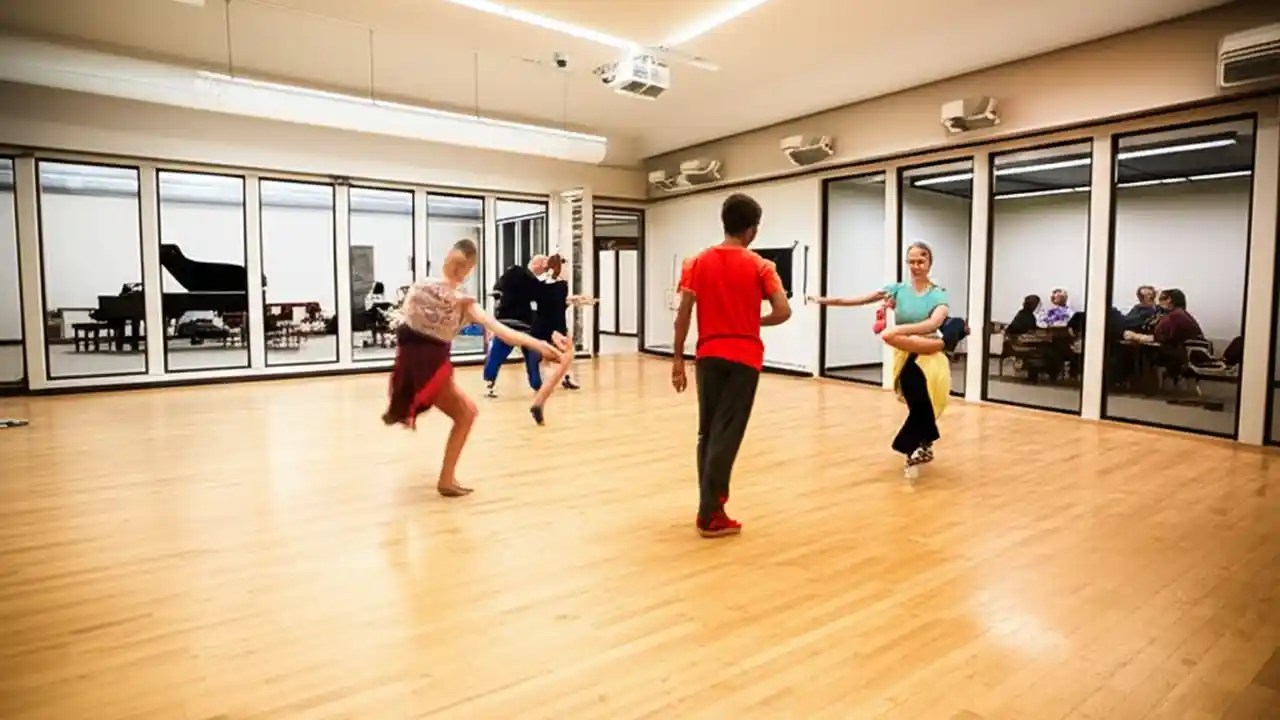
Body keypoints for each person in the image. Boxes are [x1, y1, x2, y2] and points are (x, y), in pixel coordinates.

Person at [382, 239, 561, 497]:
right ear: (468, 269)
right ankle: (446, 480)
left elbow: (406, 324)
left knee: (465, 412)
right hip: (432, 369)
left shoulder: (419, 287)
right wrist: (540, 345)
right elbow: (501, 330)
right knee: (466, 414)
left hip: (409, 366)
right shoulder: (462, 301)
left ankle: (410, 413)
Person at [672, 193, 791, 538]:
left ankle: (710, 508)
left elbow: (683, 315)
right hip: (744, 359)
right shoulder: (761, 266)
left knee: (707, 433)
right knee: (727, 435)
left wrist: (678, 358)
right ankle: (711, 514)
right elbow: (783, 311)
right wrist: (753, 321)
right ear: (752, 229)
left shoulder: (696, 262)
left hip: (707, 356)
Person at [810, 241, 950, 478]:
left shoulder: (937, 293)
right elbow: (857, 299)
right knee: (916, 402)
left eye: (921, 261)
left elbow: (934, 323)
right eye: (912, 261)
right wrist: (825, 301)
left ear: (929, 263)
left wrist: (899, 331)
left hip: (928, 353)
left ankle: (911, 446)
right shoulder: (896, 290)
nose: (916, 266)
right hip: (904, 353)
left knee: (923, 402)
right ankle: (924, 445)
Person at [528, 254, 595, 425]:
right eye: (565, 267)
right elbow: (557, 303)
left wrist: (575, 300)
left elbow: (553, 302)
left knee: (552, 359)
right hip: (555, 328)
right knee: (563, 357)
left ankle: (551, 388)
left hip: (541, 327)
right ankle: (549, 391)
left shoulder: (541, 285)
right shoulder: (562, 286)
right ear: (560, 268)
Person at [483, 255, 549, 398]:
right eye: (544, 267)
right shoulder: (532, 281)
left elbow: (497, 289)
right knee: (532, 354)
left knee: (497, 353)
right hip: (525, 324)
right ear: (538, 265)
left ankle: (489, 383)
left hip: (505, 321)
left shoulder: (511, 273)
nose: (544, 270)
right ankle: (536, 384)